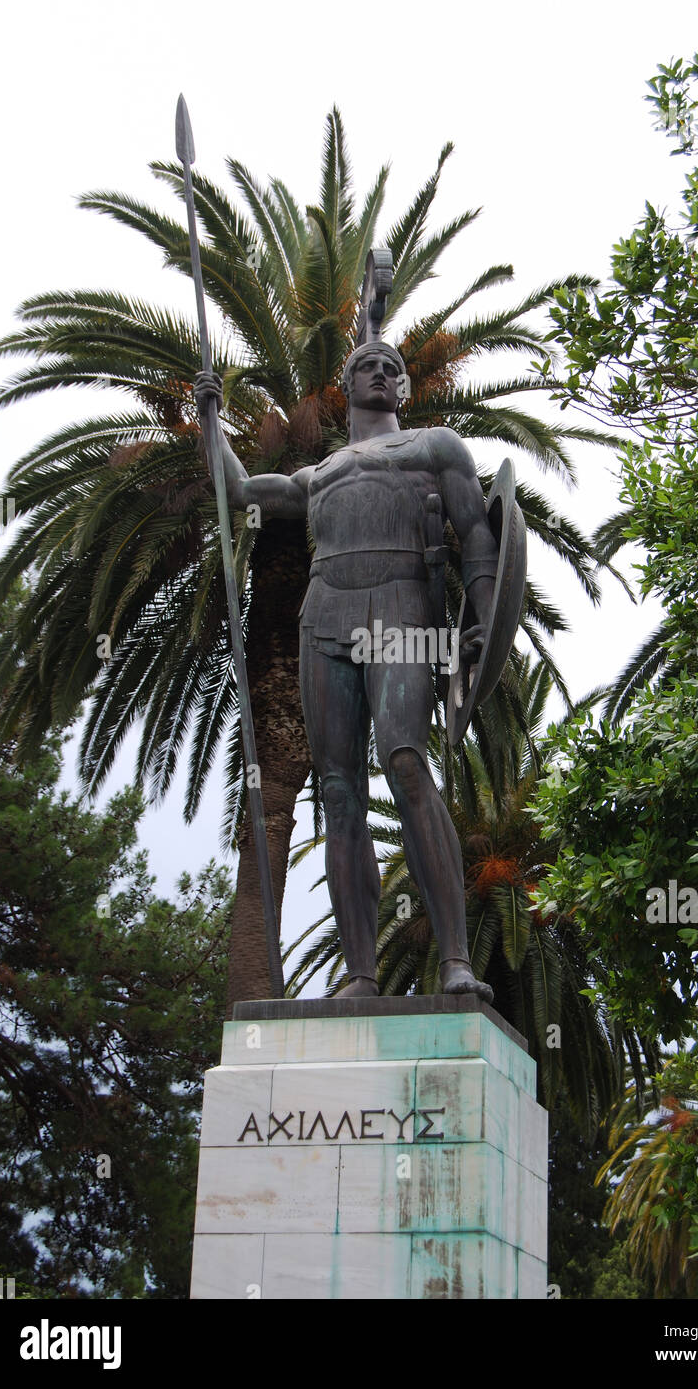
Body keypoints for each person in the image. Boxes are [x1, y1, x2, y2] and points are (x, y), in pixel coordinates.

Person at [195, 340, 499, 1000]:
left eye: (395, 368)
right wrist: (210, 421)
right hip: (325, 614)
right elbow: (242, 489)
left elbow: (477, 532)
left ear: (404, 391)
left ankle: (455, 959)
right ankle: (361, 974)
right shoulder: (321, 474)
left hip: (402, 607)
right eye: (370, 364)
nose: (385, 372)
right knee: (337, 792)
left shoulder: (435, 446)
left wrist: (480, 614)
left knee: (406, 759)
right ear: (346, 383)